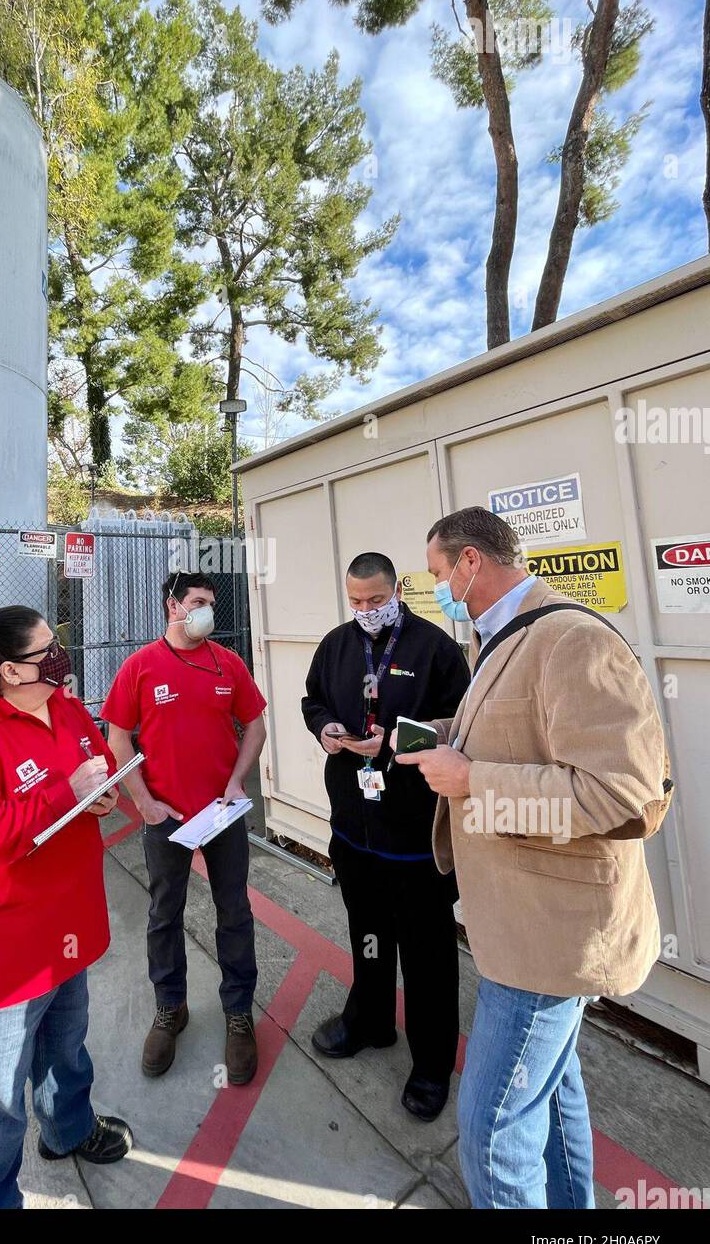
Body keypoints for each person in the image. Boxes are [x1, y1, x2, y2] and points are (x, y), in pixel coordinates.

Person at [395, 507, 667, 1208]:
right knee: (548, 1097)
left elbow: (618, 795)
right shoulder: (502, 635)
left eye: (436, 575)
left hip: (548, 936)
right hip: (520, 925)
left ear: (469, 564)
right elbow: (513, 730)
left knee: (490, 1131)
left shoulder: (571, 638)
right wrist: (439, 735)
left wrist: (469, 780)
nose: (436, 591)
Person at [0, 606, 133, 1209]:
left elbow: (96, 761)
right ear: (9, 670)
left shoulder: (61, 705)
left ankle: (68, 1129)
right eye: (46, 651)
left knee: (66, 1049)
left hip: (64, 934)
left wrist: (102, 791)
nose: (60, 658)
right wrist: (67, 793)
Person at [302, 551, 470, 1121]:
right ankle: (370, 1021)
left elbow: (464, 733)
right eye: (355, 602)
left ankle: (431, 1065)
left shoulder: (436, 650)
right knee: (367, 932)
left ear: (397, 589)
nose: (366, 611)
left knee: (427, 954)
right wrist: (324, 727)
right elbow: (312, 699)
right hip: (354, 828)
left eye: (376, 600)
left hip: (416, 837)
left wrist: (397, 746)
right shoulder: (336, 645)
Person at [102, 571, 267, 1084]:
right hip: (167, 819)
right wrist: (145, 803)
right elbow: (118, 740)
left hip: (221, 813)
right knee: (163, 913)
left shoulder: (228, 663)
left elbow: (255, 726)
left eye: (210, 603)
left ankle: (239, 1013)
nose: (206, 612)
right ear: (172, 606)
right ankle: (170, 1007)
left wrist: (239, 782)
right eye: (197, 602)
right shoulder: (141, 667)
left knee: (234, 911)